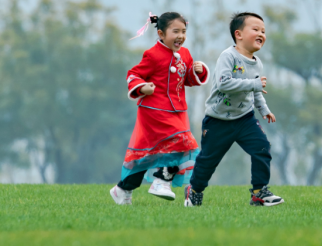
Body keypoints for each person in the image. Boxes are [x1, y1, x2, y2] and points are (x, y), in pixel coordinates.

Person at [185, 12, 284, 207]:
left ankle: (259, 193)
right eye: (255, 29)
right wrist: (253, 84)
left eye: (263, 31)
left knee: (262, 148)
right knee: (208, 161)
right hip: (218, 120)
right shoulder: (228, 56)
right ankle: (194, 190)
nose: (261, 34)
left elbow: (255, 91)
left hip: (245, 119)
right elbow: (224, 84)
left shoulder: (257, 63)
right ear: (238, 34)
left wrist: (264, 110)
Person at [111, 12, 209, 204]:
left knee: (147, 155)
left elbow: (186, 79)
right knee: (184, 143)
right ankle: (161, 180)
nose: (181, 35)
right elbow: (133, 74)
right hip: (155, 111)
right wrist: (143, 87)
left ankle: (122, 190)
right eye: (175, 31)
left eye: (183, 31)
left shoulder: (185, 54)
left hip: (178, 112)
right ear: (161, 34)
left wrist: (199, 71)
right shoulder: (152, 54)